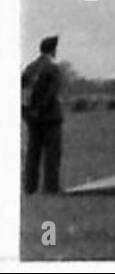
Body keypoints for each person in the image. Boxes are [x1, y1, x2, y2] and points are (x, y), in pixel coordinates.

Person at [21, 35, 63, 194]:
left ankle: (30, 187)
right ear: (53, 50)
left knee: (33, 154)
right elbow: (52, 93)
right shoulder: (53, 68)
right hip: (51, 118)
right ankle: (51, 188)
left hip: (32, 119)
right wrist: (42, 108)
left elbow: (21, 91)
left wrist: (27, 112)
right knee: (52, 155)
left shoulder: (30, 68)